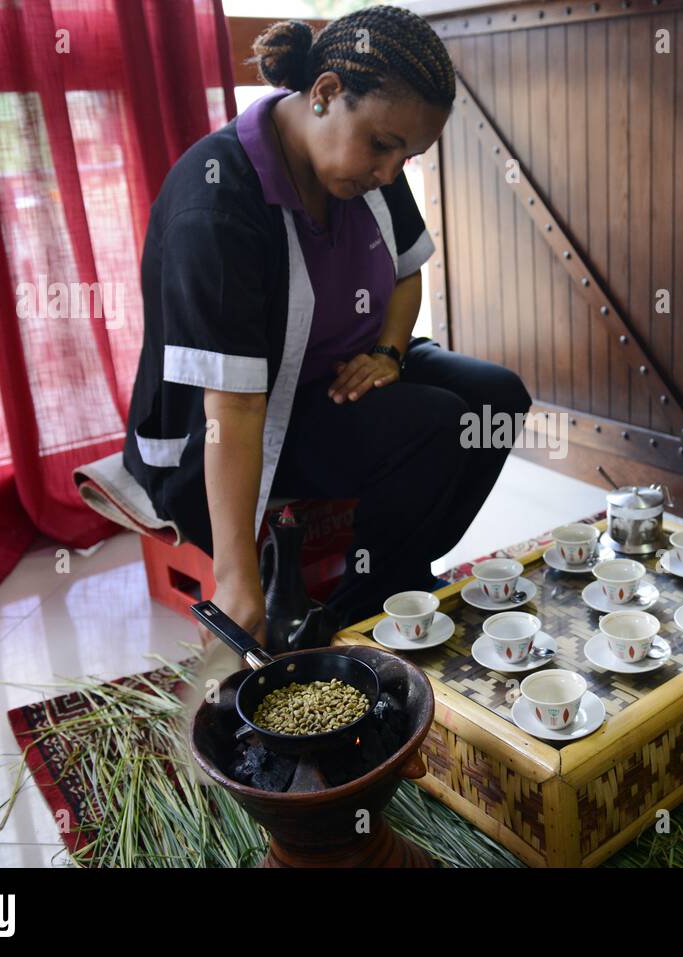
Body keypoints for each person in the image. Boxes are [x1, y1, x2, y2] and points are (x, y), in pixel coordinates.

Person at [122, 7, 532, 647]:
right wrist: (236, 582)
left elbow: (405, 274)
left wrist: (390, 354)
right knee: (435, 425)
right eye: (384, 146)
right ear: (326, 95)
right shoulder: (218, 200)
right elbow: (232, 405)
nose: (393, 171)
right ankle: (366, 610)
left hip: (335, 367)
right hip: (222, 426)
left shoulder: (365, 161)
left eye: (409, 155)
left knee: (496, 399)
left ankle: (386, 581)